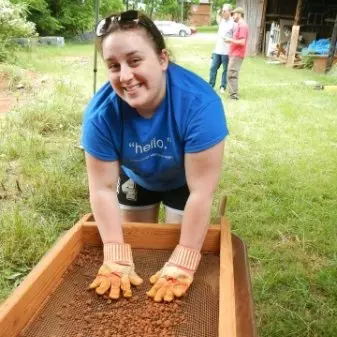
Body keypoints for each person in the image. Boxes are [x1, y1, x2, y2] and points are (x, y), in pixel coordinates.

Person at [81, 10, 228, 302]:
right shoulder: (100, 115)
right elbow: (101, 188)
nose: (125, 76)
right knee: (139, 243)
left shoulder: (200, 105)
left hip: (185, 180)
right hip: (137, 176)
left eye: (135, 61)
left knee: (174, 248)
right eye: (113, 66)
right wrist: (114, 252)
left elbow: (201, 191)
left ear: (162, 59)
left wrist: (185, 257)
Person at [209, 4, 235, 94]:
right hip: (217, 50)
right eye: (222, 11)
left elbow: (235, 38)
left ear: (230, 12)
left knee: (225, 70)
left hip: (226, 51)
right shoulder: (222, 21)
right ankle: (211, 85)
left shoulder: (233, 23)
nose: (223, 12)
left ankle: (223, 86)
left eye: (225, 11)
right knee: (213, 67)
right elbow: (217, 18)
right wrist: (218, 12)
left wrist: (230, 41)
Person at [225, 7, 249, 100]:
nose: (233, 16)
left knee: (232, 74)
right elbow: (237, 40)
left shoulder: (243, 26)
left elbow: (242, 42)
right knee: (231, 74)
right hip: (234, 54)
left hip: (237, 54)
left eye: (234, 14)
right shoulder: (238, 26)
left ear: (239, 14)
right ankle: (232, 94)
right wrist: (230, 42)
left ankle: (234, 96)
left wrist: (230, 40)